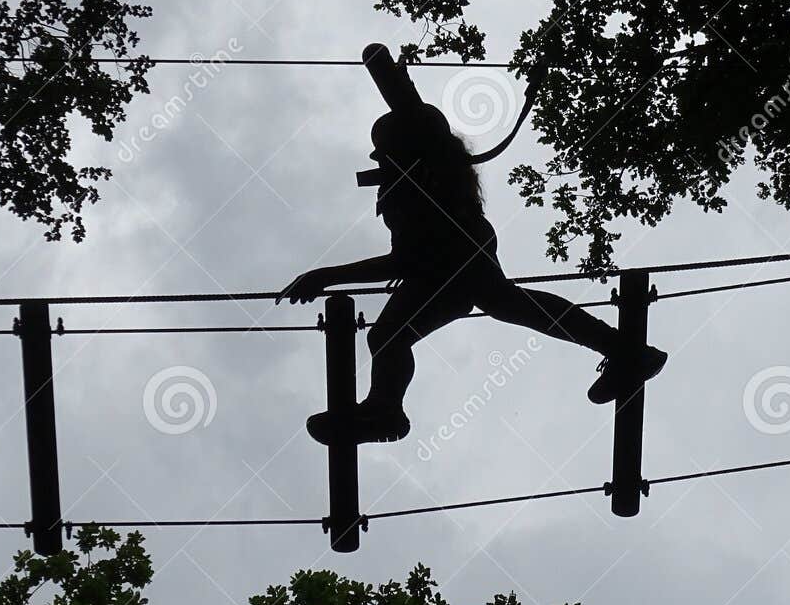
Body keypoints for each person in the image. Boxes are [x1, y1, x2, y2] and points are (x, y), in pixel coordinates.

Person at [278, 102, 666, 444]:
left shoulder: (418, 182)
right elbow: (410, 256)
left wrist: (324, 276)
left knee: (478, 310)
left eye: (384, 153)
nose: (378, 161)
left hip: (452, 261)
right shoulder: (427, 177)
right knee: (411, 330)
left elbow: (405, 258)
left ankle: (384, 410)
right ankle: (384, 410)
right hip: (445, 265)